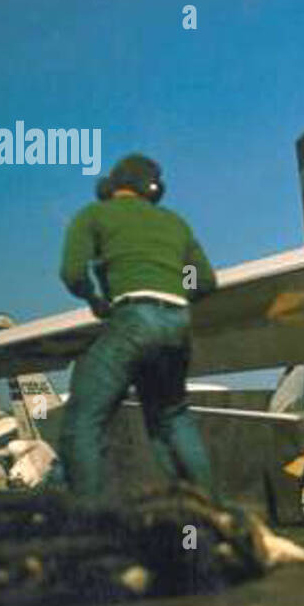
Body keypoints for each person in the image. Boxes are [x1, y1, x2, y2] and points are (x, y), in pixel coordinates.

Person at [57, 154, 218, 501]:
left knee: (83, 420)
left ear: (114, 185)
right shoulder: (175, 222)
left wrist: (96, 300)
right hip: (177, 325)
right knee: (172, 419)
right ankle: (210, 513)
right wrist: (174, 292)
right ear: (152, 190)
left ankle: (90, 523)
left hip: (133, 319)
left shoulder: (95, 214)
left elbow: (72, 273)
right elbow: (205, 280)